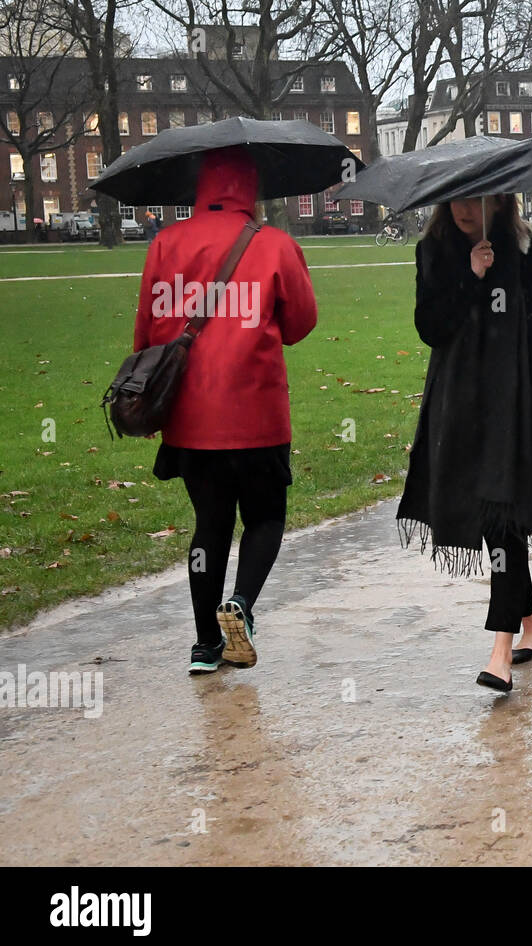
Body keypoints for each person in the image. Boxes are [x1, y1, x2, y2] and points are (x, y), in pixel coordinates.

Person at [132, 146, 318, 675]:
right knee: (265, 517)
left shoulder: (165, 242)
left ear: (201, 188)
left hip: (189, 418)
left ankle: (203, 644)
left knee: (209, 525)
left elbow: (147, 330)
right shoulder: (274, 243)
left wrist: (151, 404)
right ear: (250, 189)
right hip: (255, 412)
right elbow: (301, 325)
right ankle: (241, 604)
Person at [398, 193, 532, 694]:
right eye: (457, 197)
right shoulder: (434, 249)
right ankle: (529, 623)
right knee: (491, 521)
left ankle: (499, 653)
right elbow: (430, 328)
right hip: (457, 405)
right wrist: (470, 275)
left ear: (501, 200)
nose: (466, 208)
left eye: (479, 198)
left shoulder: (524, 248)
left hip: (513, 408)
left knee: (505, 518)